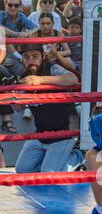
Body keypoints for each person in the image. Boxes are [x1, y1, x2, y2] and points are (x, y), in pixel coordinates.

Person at [14, 43, 83, 173]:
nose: (31, 61)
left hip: (61, 134)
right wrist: (12, 91)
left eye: (35, 56)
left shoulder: (52, 68)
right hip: (40, 133)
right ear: (22, 59)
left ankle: (78, 155)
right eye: (26, 57)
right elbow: (18, 107)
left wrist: (40, 80)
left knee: (49, 174)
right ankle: (51, 160)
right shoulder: (24, 77)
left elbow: (73, 79)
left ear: (43, 56)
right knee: (22, 170)